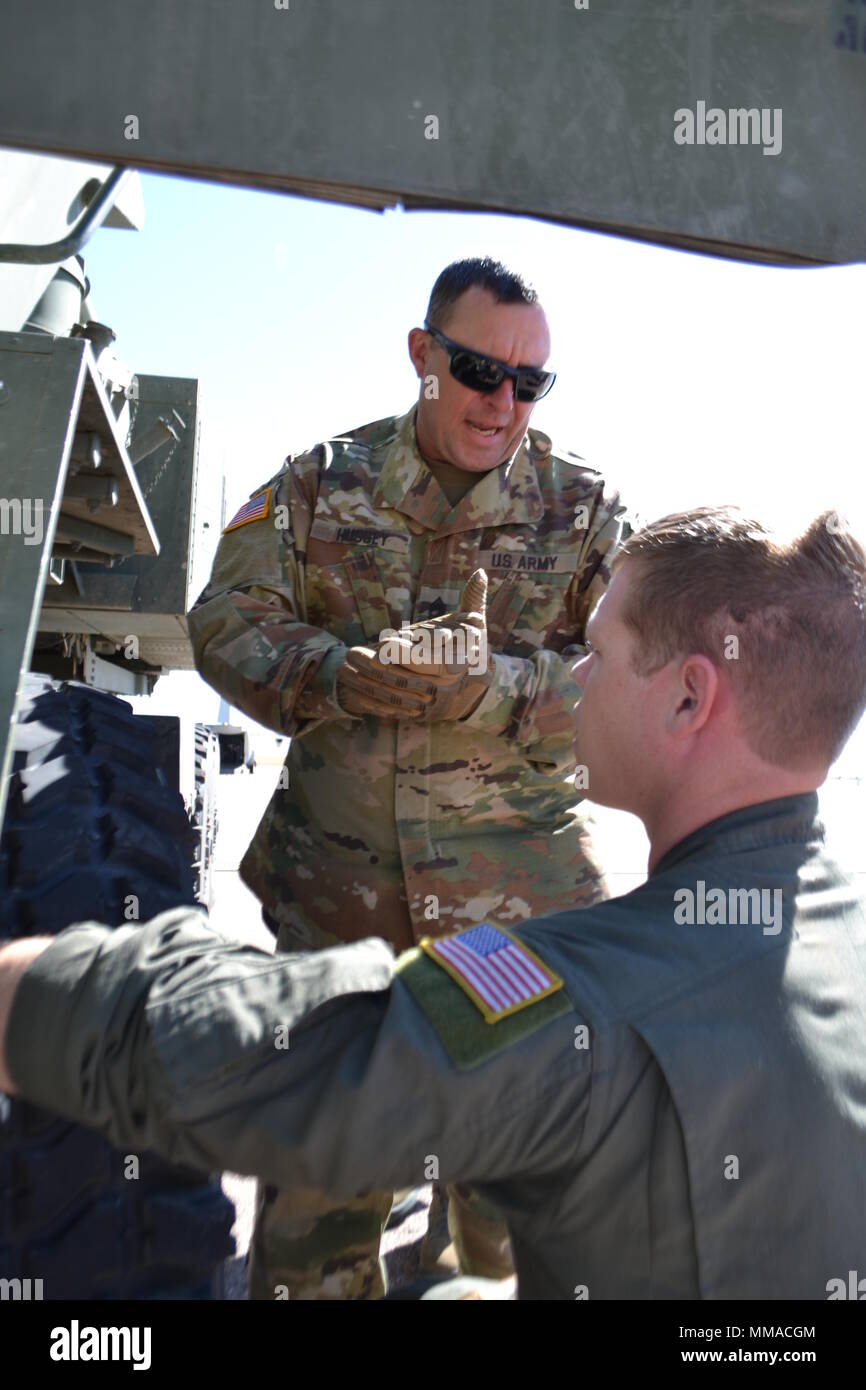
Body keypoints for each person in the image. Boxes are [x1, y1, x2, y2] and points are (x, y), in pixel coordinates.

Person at [2, 504, 865, 1300]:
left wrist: (33, 994)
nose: (574, 676)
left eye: (598, 651)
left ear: (688, 698)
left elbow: (296, 1058)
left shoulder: (588, 998)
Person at [184, 257, 628, 1296]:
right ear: (422, 356)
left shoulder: (587, 513)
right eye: (478, 369)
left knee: (523, 1229)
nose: (501, 402)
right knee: (313, 1224)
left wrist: (496, 686)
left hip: (517, 929)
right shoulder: (314, 485)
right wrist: (335, 673)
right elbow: (221, 623)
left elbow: (635, 683)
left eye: (530, 382)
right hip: (342, 922)